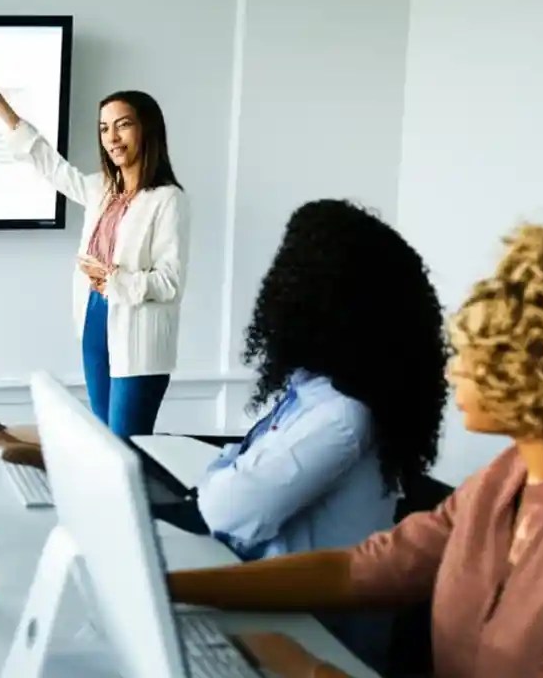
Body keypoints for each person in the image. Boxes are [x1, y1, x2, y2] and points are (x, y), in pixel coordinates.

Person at [167, 224, 543, 678]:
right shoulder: (501, 481)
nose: (454, 372)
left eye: (477, 353)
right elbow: (360, 570)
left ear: (536, 370)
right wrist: (169, 588)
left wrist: (311, 670)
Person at [172, 200, 448, 561]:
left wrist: (225, 478)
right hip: (273, 586)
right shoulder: (316, 389)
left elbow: (220, 510)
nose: (277, 291)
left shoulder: (343, 416)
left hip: (311, 615)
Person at [0, 75, 188, 440]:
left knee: (126, 447)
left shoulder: (168, 199)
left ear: (147, 129)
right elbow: (52, 166)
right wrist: (7, 115)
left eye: (123, 125)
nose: (112, 137)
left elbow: (170, 282)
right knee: (105, 442)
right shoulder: (101, 189)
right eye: (105, 128)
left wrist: (115, 280)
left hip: (137, 336)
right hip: (95, 318)